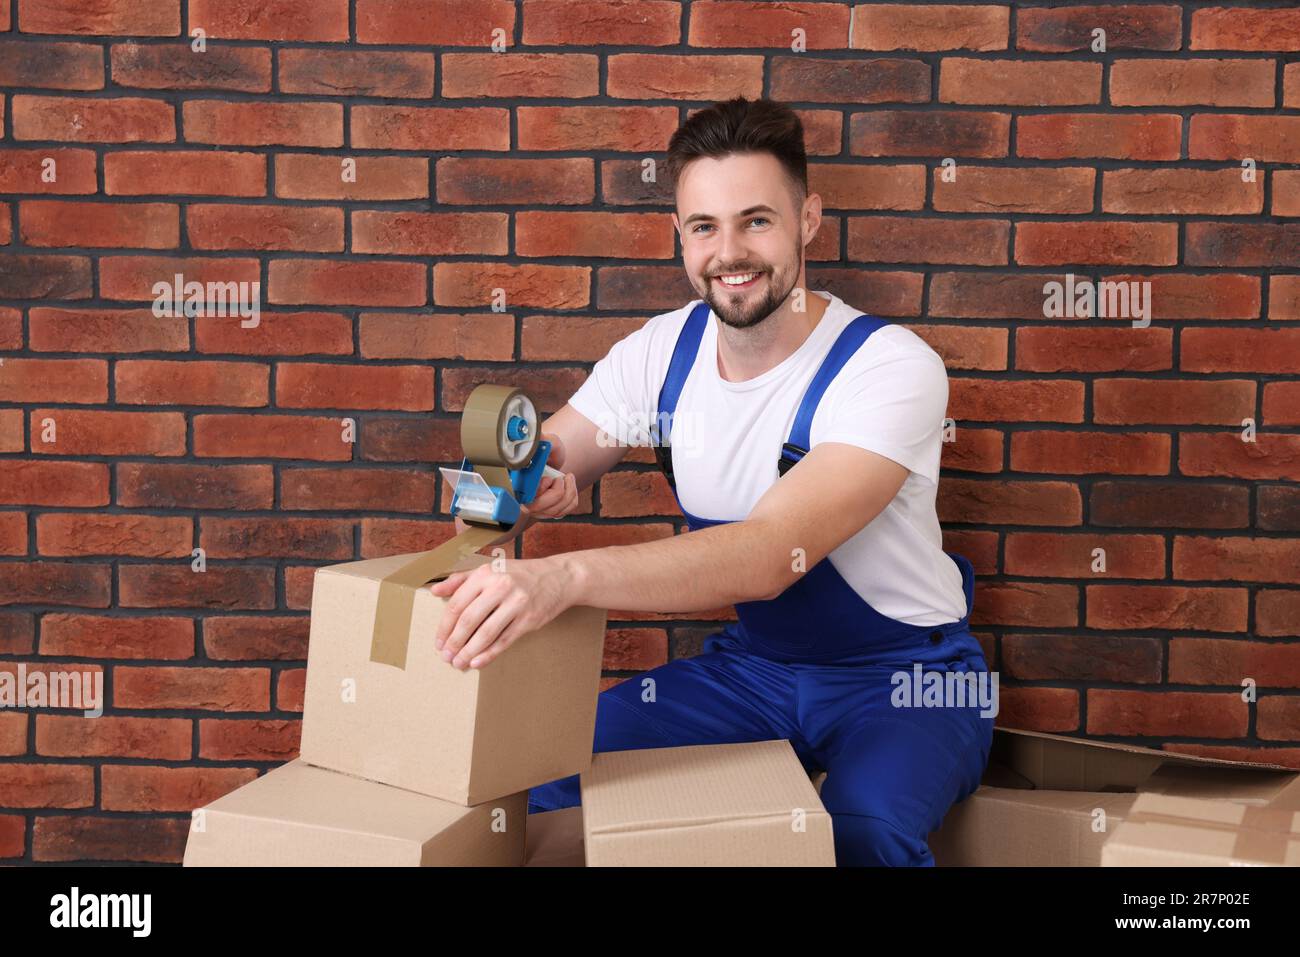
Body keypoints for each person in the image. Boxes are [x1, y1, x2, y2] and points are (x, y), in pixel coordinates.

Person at [430, 97, 994, 866]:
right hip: (753, 673)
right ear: (680, 236)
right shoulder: (660, 353)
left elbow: (771, 554)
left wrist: (562, 578)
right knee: (552, 772)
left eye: (756, 220)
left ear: (809, 219)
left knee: (860, 829)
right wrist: (515, 490)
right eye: (704, 227)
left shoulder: (888, 367)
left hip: (905, 680)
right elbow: (534, 454)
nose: (730, 252)